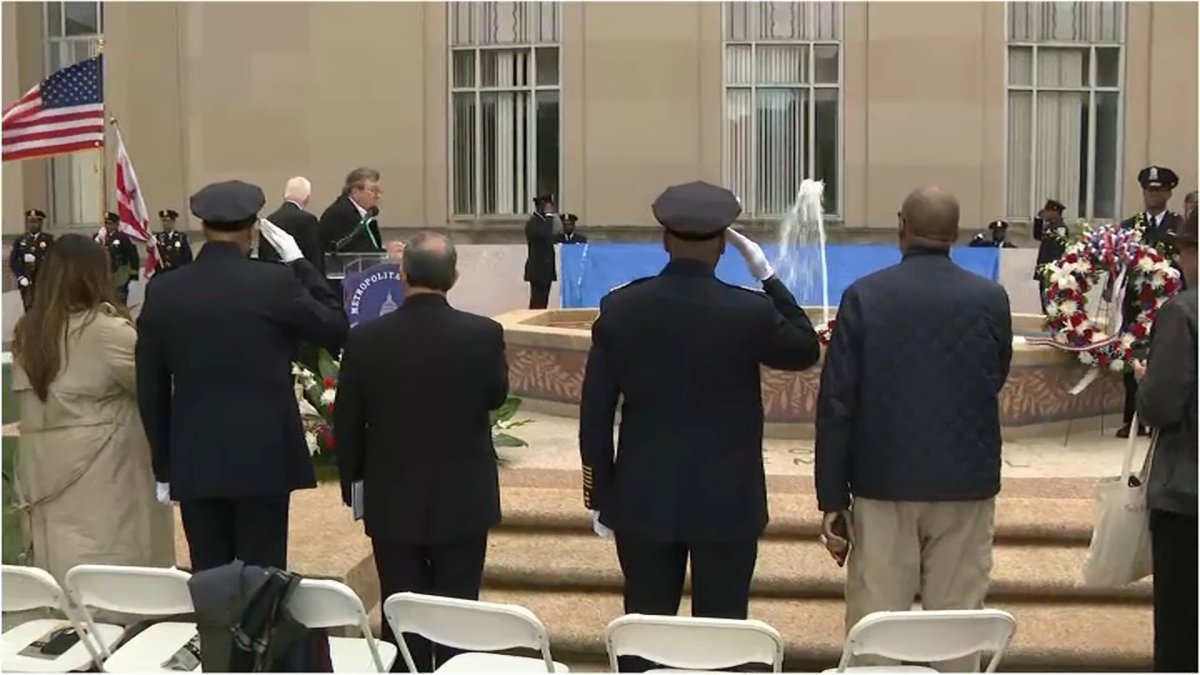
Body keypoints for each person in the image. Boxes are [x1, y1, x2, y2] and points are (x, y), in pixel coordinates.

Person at [579, 181, 820, 670]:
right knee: (724, 637)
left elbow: (596, 412)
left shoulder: (622, 308)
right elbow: (804, 347)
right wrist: (768, 275)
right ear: (722, 244)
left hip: (644, 497)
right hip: (727, 501)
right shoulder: (749, 310)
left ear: (665, 239)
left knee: (643, 636)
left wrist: (601, 494)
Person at [815, 186, 1012, 671]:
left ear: (901, 226)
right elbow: (997, 374)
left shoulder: (865, 296)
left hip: (883, 485)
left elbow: (837, 402)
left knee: (877, 624)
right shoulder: (989, 298)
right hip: (965, 484)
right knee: (957, 626)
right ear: (957, 234)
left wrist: (831, 498)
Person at [135, 180, 349, 572]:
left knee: (211, 578)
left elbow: (150, 389)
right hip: (263, 458)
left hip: (195, 457)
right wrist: (299, 262)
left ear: (203, 229)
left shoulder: (165, 291)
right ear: (253, 231)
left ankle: (218, 635)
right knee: (262, 581)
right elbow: (336, 327)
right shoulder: (274, 282)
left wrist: (163, 465)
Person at [335, 232, 507, 672]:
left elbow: (348, 419)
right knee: (458, 611)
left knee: (401, 610)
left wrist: (353, 483)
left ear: (403, 273)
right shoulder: (483, 334)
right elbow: (494, 396)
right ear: (453, 277)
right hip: (463, 495)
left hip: (392, 493)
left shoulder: (366, 339)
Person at [11, 234, 174, 582]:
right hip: (105, 475)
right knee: (114, 578)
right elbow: (158, 389)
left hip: (45, 471)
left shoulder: (29, 332)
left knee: (61, 578)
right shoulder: (105, 332)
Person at [1134, 208, 1197, 673]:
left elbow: (1161, 405)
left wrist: (1145, 383)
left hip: (1187, 497)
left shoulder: (1183, 312)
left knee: (1182, 636)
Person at [1116, 166, 1181, 439]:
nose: (1153, 195)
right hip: (1135, 303)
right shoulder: (1130, 226)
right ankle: (1132, 417)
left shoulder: (1179, 226)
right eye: (1149, 190)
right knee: (1133, 358)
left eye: (1158, 190)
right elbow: (1119, 265)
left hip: (1171, 304)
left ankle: (1165, 416)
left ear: (1168, 192)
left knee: (1168, 358)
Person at [261, 177, 325, 278]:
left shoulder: (270, 220)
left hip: (274, 278)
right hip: (301, 279)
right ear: (307, 198)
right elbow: (315, 257)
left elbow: (264, 256)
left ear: (284, 196)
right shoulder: (308, 219)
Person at [319, 167, 384, 254]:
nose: (378, 196)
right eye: (373, 190)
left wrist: (384, 249)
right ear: (355, 191)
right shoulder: (342, 214)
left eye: (379, 191)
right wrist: (386, 252)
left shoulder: (360, 213)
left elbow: (366, 247)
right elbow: (355, 251)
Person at [8, 209, 54, 311]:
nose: (33, 225)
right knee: (28, 307)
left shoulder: (48, 239)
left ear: (41, 223)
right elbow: (13, 261)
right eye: (30, 222)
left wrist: (37, 258)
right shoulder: (21, 240)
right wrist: (20, 276)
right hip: (26, 279)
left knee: (42, 308)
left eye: (36, 222)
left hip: (42, 279)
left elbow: (52, 259)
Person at [96, 211, 140, 306]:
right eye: (106, 223)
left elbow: (132, 255)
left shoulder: (122, 238)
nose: (108, 226)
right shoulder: (100, 237)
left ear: (116, 224)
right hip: (104, 274)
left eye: (110, 223)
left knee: (119, 299)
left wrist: (133, 275)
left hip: (119, 273)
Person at [1032, 199, 1069, 312]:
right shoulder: (1049, 227)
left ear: (1055, 212)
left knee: (1051, 301)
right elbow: (1037, 236)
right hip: (1044, 268)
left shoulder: (1060, 228)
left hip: (1052, 270)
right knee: (1044, 298)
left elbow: (1057, 249)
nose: (1045, 214)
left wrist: (1052, 269)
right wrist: (1038, 220)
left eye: (1047, 211)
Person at [524, 194, 558, 309]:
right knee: (537, 302)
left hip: (545, 270)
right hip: (538, 270)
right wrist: (549, 216)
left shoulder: (543, 222)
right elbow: (545, 234)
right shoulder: (534, 222)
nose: (552, 209)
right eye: (549, 206)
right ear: (542, 205)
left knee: (543, 302)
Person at [155, 209, 193, 273]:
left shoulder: (181, 237)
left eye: (168, 221)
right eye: (163, 221)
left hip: (178, 271)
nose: (165, 223)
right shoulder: (158, 238)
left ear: (173, 221)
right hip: (163, 272)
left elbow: (187, 256)